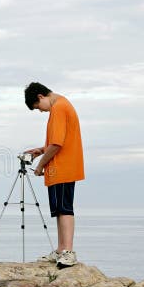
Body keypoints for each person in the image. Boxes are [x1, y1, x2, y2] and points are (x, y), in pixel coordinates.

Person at [23, 82, 85, 268]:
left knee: (65, 209)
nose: (41, 111)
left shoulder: (59, 108)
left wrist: (40, 166)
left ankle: (68, 251)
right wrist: (40, 151)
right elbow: (57, 141)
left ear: (41, 97)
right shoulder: (62, 105)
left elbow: (57, 144)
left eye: (38, 107)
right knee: (59, 210)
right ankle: (61, 250)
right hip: (60, 167)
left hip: (64, 167)